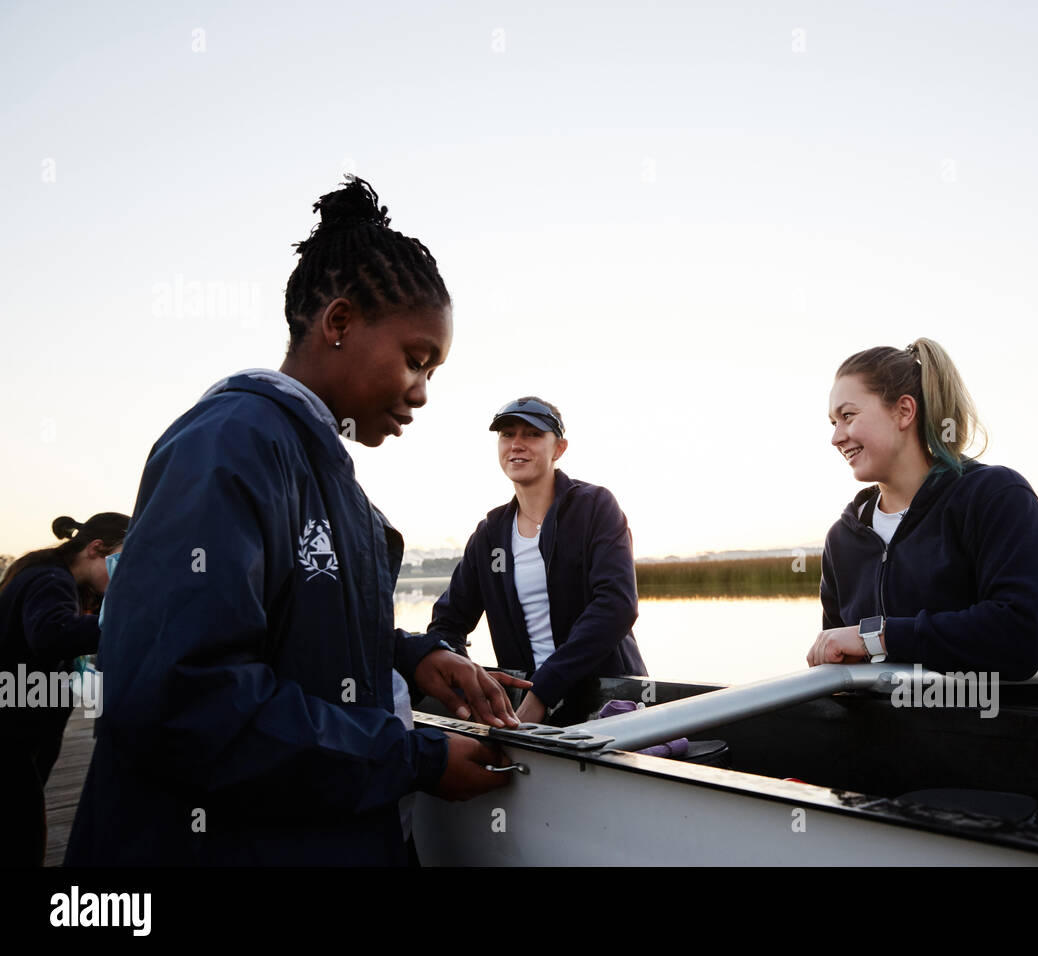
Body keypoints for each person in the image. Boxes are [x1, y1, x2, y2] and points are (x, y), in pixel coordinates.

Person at [66, 176, 530, 867]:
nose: (423, 393)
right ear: (338, 323)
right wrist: (416, 756)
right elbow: (178, 698)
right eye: (416, 359)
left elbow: (296, 633)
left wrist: (410, 655)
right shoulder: (228, 446)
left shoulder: (333, 479)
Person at [807, 339, 1038, 709]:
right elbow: (845, 664)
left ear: (904, 411)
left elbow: (1023, 632)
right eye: (832, 422)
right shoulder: (843, 538)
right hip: (923, 742)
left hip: (1032, 731)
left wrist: (877, 637)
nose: (836, 436)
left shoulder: (996, 495)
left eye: (848, 416)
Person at [426, 397, 647, 725]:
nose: (516, 444)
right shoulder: (490, 535)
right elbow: (447, 624)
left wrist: (543, 692)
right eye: (507, 434)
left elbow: (616, 606)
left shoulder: (595, 507)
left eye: (531, 434)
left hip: (609, 702)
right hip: (526, 714)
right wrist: (473, 690)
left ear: (558, 448)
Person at [0, 512, 128, 866]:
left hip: (21, 732)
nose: (122, 576)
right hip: (11, 737)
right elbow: (52, 634)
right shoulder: (51, 580)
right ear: (95, 549)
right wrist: (130, 625)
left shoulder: (50, 577)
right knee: (21, 839)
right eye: (119, 562)